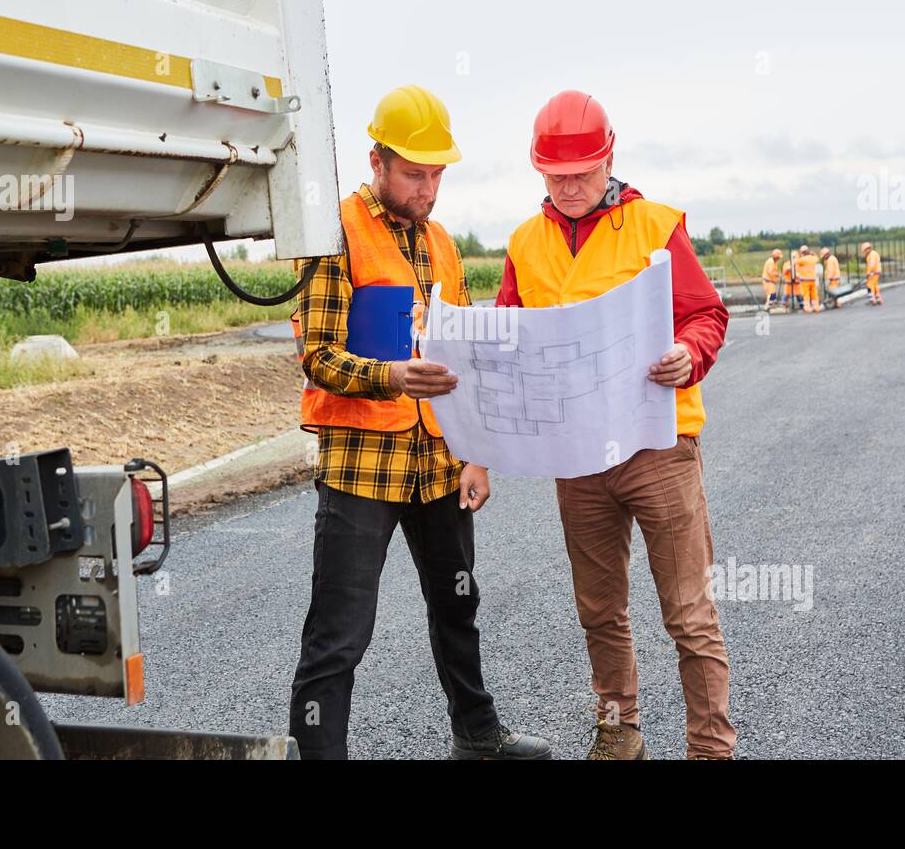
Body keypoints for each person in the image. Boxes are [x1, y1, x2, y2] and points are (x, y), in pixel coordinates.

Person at [288, 85, 550, 760]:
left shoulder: (441, 243)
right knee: (339, 634)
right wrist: (394, 377)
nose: (428, 189)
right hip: (362, 463)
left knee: (458, 604)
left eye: (437, 175)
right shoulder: (335, 231)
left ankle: (477, 733)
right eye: (414, 173)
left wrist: (477, 454)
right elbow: (318, 356)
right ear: (377, 160)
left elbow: (463, 358)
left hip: (438, 460)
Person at [496, 90, 736, 760]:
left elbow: (705, 314)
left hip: (658, 446)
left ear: (610, 159)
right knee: (600, 612)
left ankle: (712, 749)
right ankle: (619, 734)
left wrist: (689, 354)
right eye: (555, 176)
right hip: (578, 457)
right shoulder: (524, 243)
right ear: (539, 170)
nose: (569, 188)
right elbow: (511, 337)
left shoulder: (655, 226)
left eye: (582, 173)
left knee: (689, 616)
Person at [795, 244, 820, 313]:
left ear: (802, 252)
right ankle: (816, 307)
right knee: (814, 293)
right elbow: (817, 258)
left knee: (806, 294)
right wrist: (813, 254)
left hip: (805, 280)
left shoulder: (802, 259)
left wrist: (798, 256)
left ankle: (807, 308)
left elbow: (795, 262)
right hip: (813, 279)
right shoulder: (813, 258)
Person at [862, 241, 884, 305]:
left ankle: (872, 299)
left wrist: (868, 273)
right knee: (875, 286)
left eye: (864, 251)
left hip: (873, 273)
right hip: (876, 272)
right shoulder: (873, 253)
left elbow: (872, 265)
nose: (865, 252)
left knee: (870, 285)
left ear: (867, 249)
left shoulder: (872, 255)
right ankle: (878, 299)